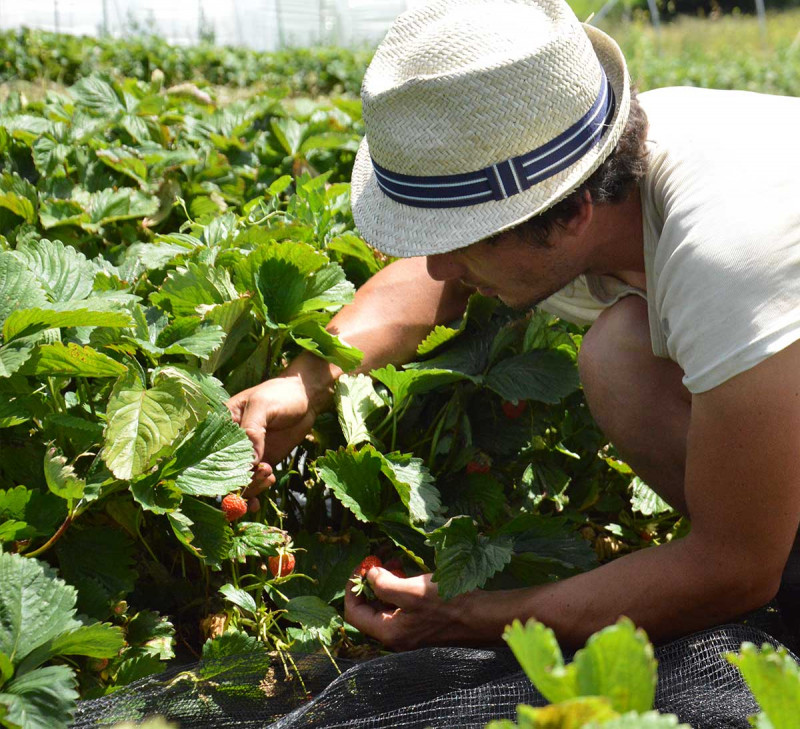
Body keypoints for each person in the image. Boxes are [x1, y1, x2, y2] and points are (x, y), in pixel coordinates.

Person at [227, 0, 800, 651]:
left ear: (573, 213)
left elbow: (737, 566)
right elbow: (427, 283)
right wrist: (308, 380)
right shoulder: (581, 155)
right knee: (618, 357)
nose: (439, 261)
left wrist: (477, 615)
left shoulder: (727, 251)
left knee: (734, 545)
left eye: (463, 238)